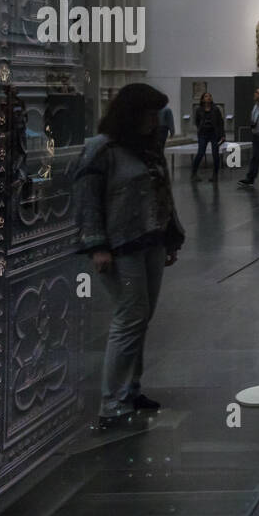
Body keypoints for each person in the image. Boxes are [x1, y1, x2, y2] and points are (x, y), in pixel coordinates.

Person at [72, 83, 186, 428]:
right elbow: (87, 201)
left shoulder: (146, 149)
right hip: (120, 246)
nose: (155, 121)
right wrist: (97, 245)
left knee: (141, 316)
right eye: (149, 114)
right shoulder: (102, 149)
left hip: (150, 241)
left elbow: (161, 193)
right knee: (129, 317)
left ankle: (130, 389)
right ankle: (113, 401)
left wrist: (170, 237)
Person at [190, 91, 225, 182]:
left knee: (215, 154)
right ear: (202, 99)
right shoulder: (199, 109)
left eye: (210, 96)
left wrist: (222, 135)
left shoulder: (216, 109)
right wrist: (200, 129)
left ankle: (215, 175)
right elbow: (197, 121)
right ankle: (193, 174)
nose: (208, 97)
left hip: (214, 134)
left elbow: (220, 122)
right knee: (200, 153)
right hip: (203, 134)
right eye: (206, 96)